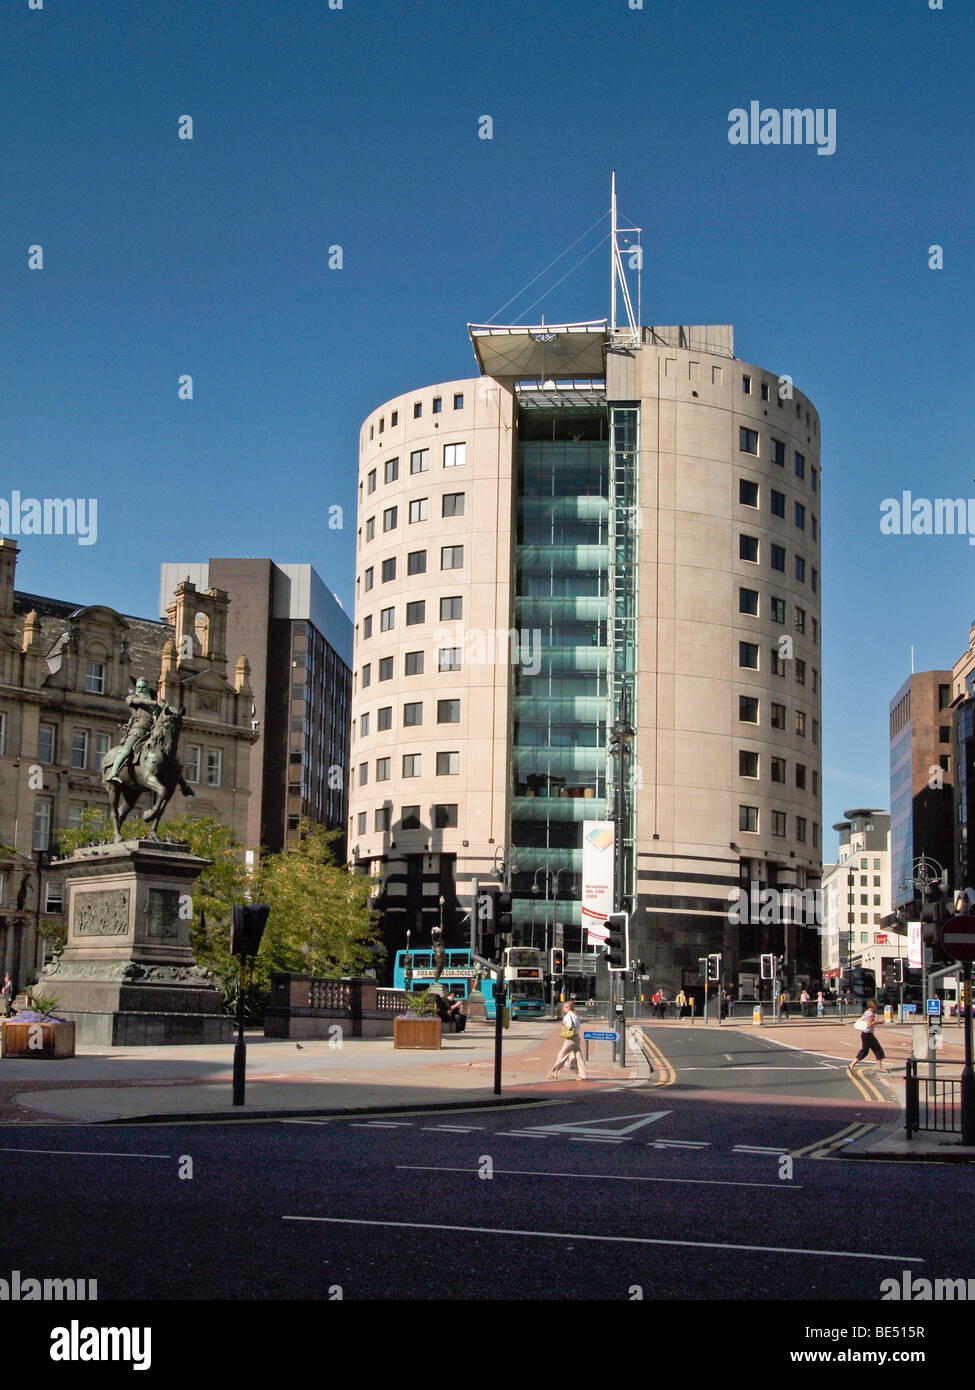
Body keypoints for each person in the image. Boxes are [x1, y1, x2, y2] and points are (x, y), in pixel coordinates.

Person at [547, 1000, 589, 1080]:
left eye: (564, 1007)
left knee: (561, 1055)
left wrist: (564, 1024)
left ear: (568, 1007)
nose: (563, 1009)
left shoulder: (567, 1016)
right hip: (576, 1038)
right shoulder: (576, 1016)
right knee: (579, 1057)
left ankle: (553, 1073)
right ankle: (583, 1075)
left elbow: (569, 1027)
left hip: (571, 1039)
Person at [850, 998, 887, 1072]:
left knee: (865, 1051)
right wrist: (876, 1020)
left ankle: (852, 1064)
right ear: (873, 1005)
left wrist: (878, 1022)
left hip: (866, 1035)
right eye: (876, 1005)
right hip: (868, 1035)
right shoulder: (870, 1014)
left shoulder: (868, 1013)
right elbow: (869, 1025)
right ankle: (880, 1068)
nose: (877, 1006)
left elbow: (869, 1023)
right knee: (877, 1050)